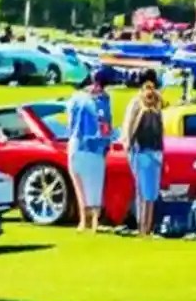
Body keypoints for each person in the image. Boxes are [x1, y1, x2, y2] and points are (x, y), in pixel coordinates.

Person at [67, 67, 115, 232]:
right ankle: (94, 220)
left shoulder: (78, 99)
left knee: (79, 183)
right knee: (94, 184)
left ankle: (84, 220)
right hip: (97, 147)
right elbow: (107, 126)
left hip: (79, 143)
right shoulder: (104, 101)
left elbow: (71, 123)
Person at [123, 72, 165, 236]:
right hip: (150, 153)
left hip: (143, 152)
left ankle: (144, 228)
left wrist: (128, 146)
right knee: (148, 193)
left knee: (144, 193)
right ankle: (145, 227)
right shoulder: (153, 109)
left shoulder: (140, 106)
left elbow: (129, 130)